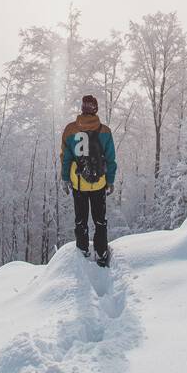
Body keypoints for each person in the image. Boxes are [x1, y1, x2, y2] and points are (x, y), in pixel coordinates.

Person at [60, 94, 117, 266]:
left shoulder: (70, 130)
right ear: (95, 109)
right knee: (100, 220)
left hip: (79, 184)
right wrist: (110, 180)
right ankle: (101, 254)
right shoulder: (105, 131)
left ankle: (83, 251)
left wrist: (65, 178)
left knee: (81, 219)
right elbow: (110, 159)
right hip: (99, 183)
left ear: (82, 108)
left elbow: (66, 157)